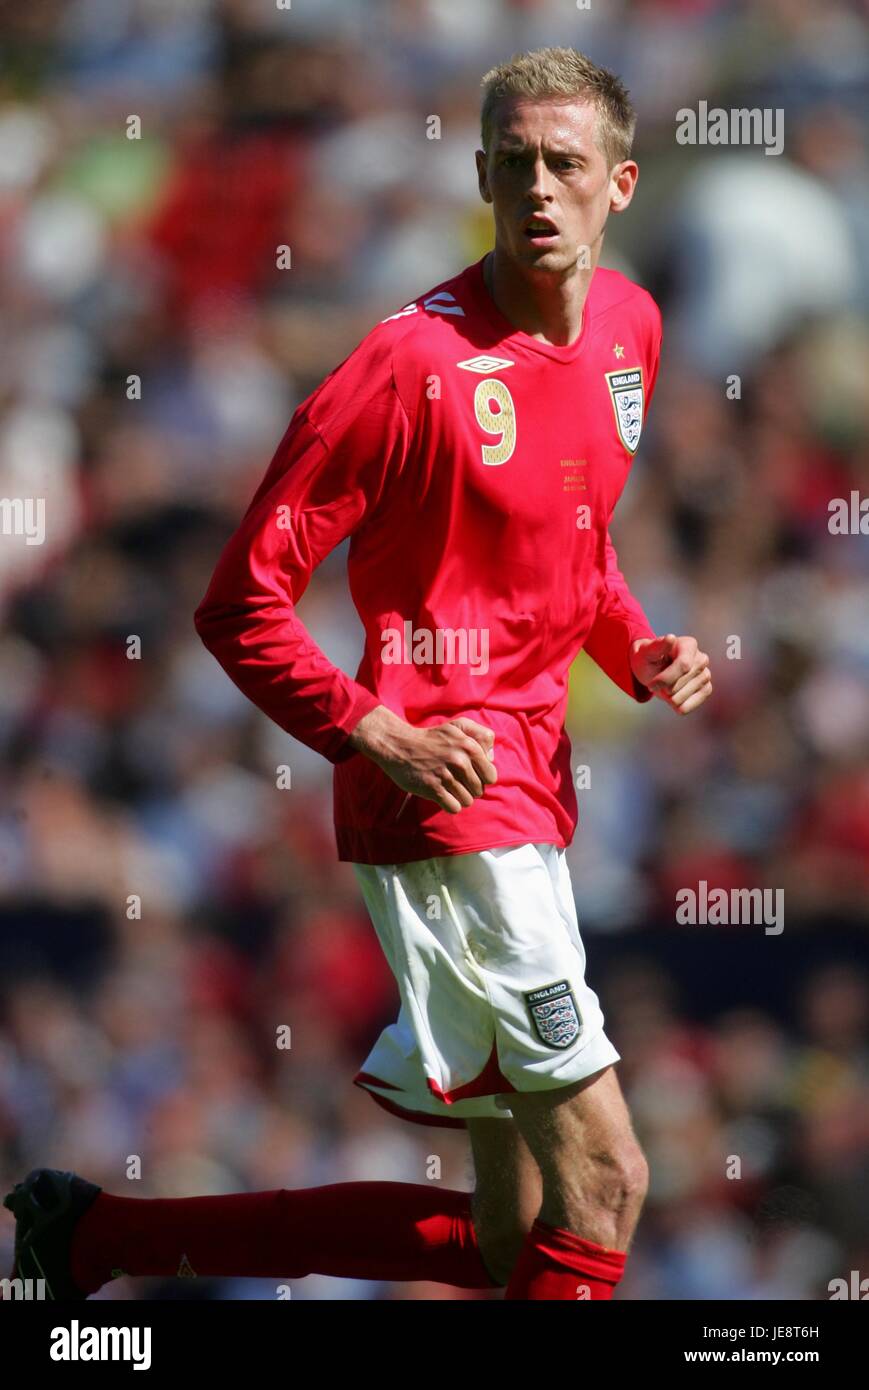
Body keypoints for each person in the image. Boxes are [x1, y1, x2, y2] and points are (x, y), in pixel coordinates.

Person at [3, 46, 712, 1302]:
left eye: (563, 165)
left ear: (620, 183)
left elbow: (573, 550)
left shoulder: (629, 333)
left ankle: (95, 1237)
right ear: (480, 173)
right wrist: (373, 730)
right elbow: (237, 603)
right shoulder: (403, 369)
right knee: (608, 1184)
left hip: (536, 784)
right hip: (446, 796)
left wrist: (637, 645)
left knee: (518, 1234)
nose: (536, 190)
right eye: (511, 165)